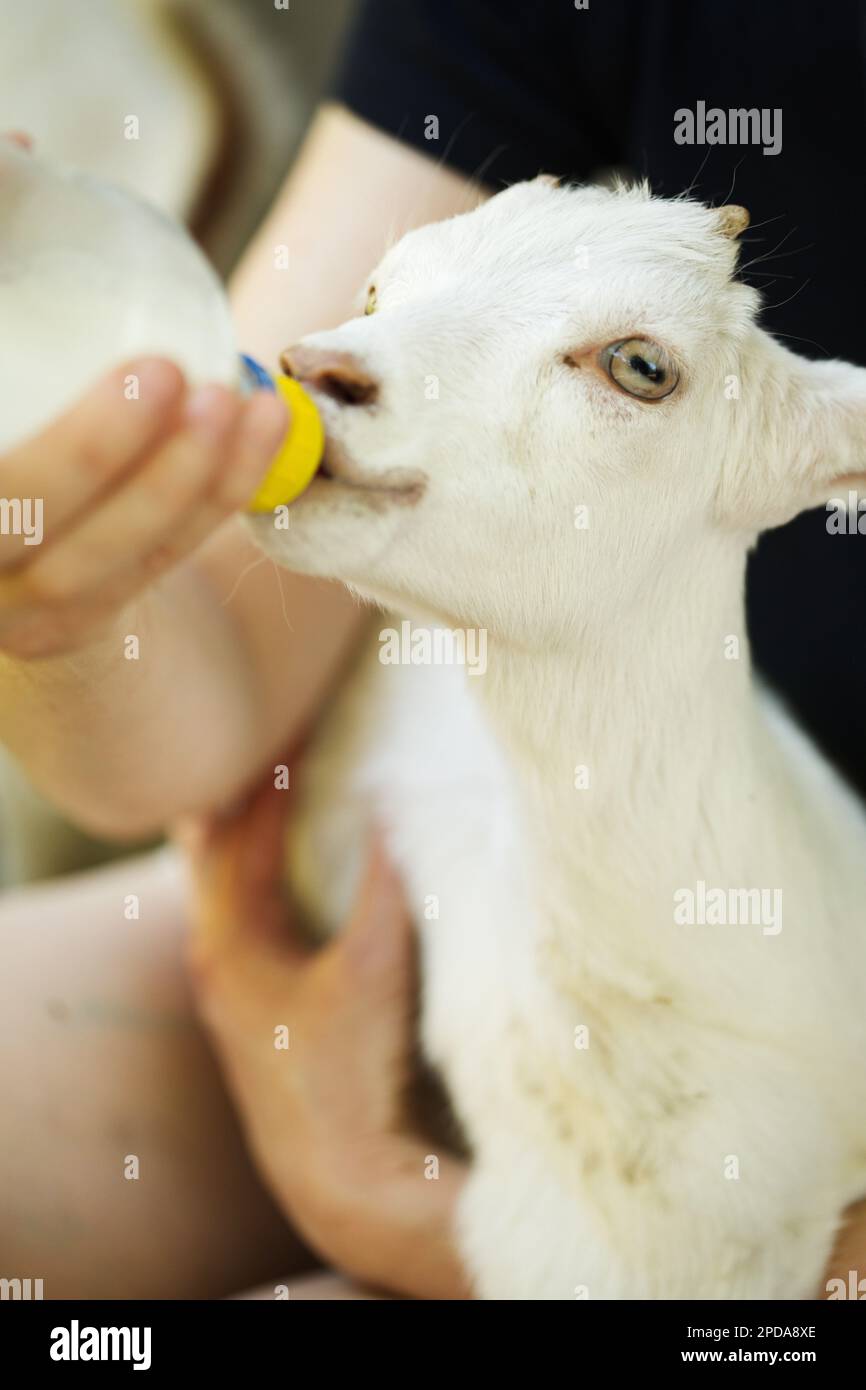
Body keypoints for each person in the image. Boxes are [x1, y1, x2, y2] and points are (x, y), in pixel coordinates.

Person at [0, 0, 863, 1298]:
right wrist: (57, 587)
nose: (338, 360)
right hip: (382, 931)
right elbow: (207, 650)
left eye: (630, 367)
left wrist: (388, 1206)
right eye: (375, 302)